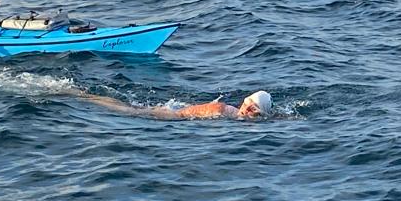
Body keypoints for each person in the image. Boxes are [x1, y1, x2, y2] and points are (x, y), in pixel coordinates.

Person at [81, 90, 273, 120]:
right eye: (248, 105)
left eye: (254, 111)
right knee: (128, 110)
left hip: (177, 113)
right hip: (173, 115)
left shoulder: (237, 117)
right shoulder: (221, 110)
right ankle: (82, 96)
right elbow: (185, 113)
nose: (247, 111)